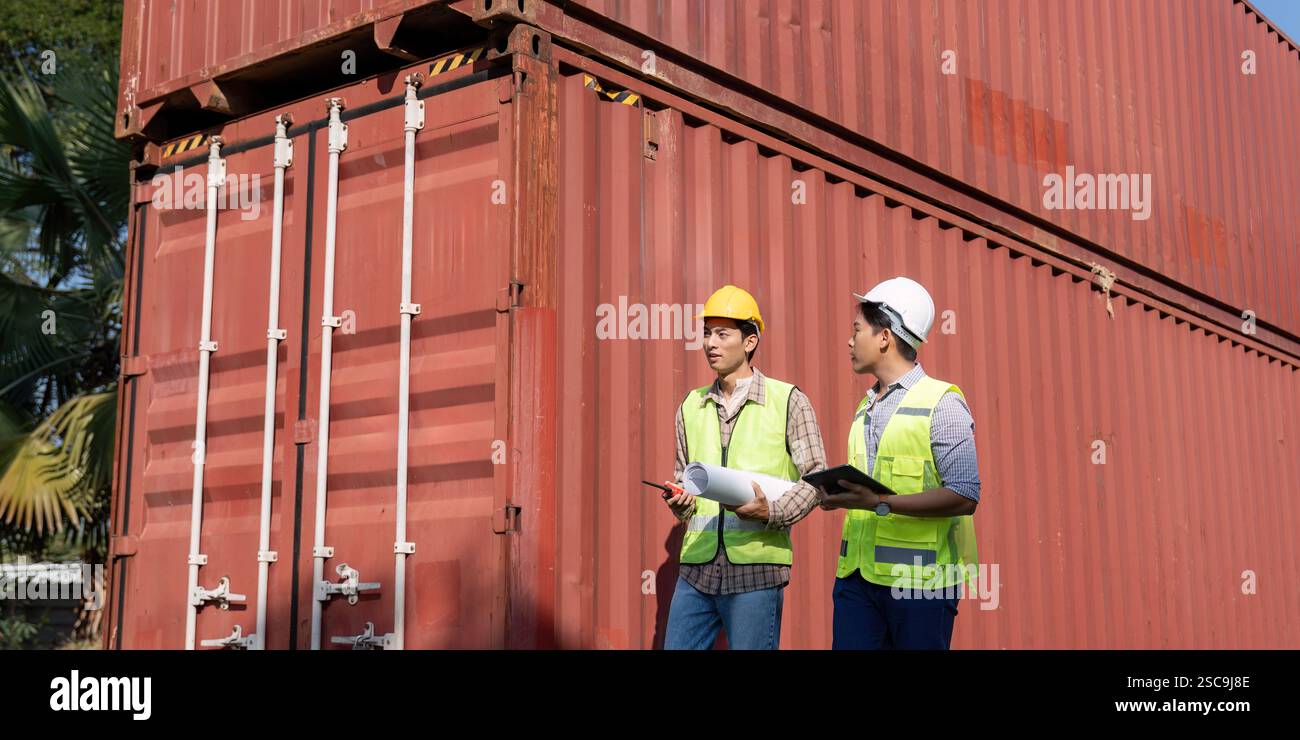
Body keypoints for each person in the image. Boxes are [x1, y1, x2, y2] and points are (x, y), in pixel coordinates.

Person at [661, 285, 827, 650]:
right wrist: (679, 498)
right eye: (706, 333)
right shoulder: (691, 405)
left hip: (756, 571)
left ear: (750, 341)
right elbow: (683, 475)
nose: (710, 343)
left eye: (722, 334)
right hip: (697, 570)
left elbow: (816, 479)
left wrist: (773, 510)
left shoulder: (788, 401)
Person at [820, 277, 981, 650]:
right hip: (856, 581)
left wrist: (879, 503)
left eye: (857, 329)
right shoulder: (866, 407)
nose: (849, 340)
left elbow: (965, 494)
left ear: (884, 337)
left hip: (920, 589)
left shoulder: (942, 403)